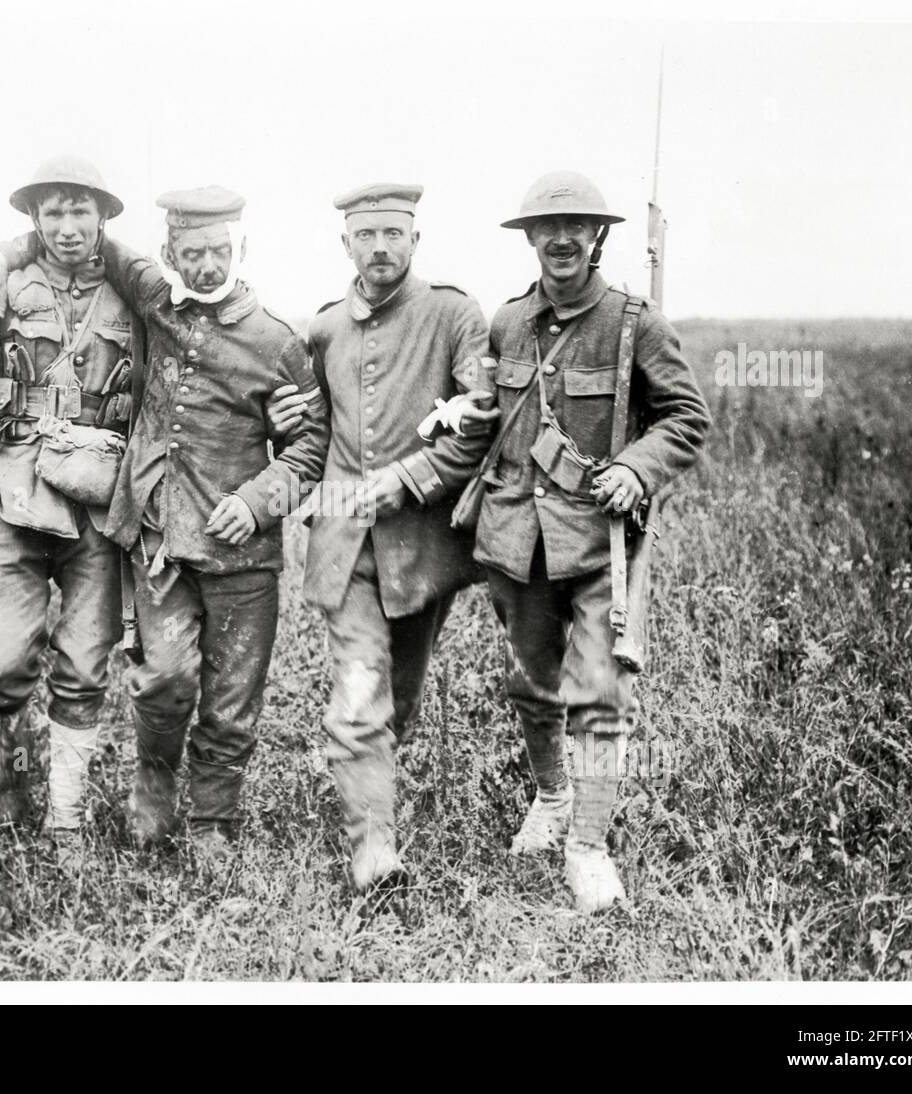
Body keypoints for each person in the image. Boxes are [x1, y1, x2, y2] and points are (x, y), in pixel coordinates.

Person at [0, 186, 329, 868]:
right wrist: (28, 237)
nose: (205, 266)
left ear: (242, 250)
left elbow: (309, 448)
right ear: (172, 254)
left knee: (232, 697)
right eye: (191, 253)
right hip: (160, 544)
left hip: (243, 558)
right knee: (164, 680)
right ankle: (154, 786)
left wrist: (260, 499)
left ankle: (212, 824)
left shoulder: (277, 342)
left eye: (218, 252)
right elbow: (98, 243)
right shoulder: (157, 304)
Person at [476, 170, 710, 912]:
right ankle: (550, 798)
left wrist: (638, 470)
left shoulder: (635, 323)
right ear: (531, 239)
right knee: (530, 684)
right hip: (518, 540)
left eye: (578, 226)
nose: (563, 239)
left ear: (599, 236)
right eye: (548, 228)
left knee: (600, 692)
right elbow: (491, 418)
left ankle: (589, 845)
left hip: (602, 542)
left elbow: (685, 417)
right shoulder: (509, 324)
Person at [273, 183, 497, 894]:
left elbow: (480, 421)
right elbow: (307, 433)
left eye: (393, 234)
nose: (379, 247)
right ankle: (374, 853)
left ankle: (355, 761)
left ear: (415, 240)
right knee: (362, 690)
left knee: (400, 698)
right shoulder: (324, 329)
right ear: (346, 244)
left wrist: (409, 477)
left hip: (421, 551)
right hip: (344, 548)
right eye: (365, 235)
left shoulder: (454, 315)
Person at [0, 155, 139, 857]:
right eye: (53, 212)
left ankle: (67, 816)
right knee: (6, 658)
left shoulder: (132, 289)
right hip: (13, 492)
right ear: (33, 219)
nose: (68, 226)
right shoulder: (4, 282)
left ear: (104, 216)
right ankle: (7, 772)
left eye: (82, 211)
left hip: (96, 503)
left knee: (85, 661)